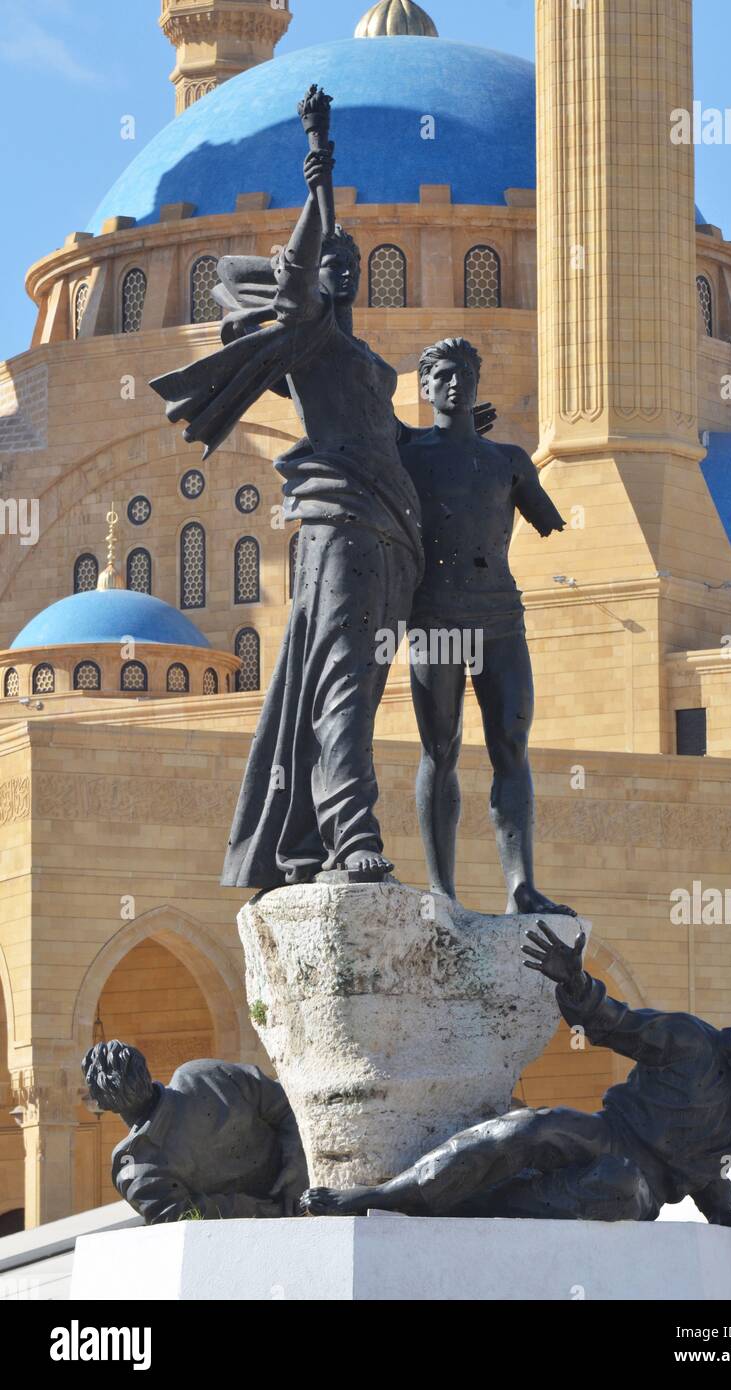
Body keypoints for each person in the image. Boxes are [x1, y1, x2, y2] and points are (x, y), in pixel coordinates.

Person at [150, 87, 423, 889]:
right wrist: (317, 174)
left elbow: (389, 438)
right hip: (337, 522)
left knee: (359, 688)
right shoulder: (307, 339)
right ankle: (354, 828)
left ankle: (316, 836)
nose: (343, 271)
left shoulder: (366, 361)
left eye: (356, 264)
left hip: (391, 534)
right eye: (332, 263)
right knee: (339, 675)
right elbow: (300, 272)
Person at [301, 923, 731, 1248]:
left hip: (643, 1185)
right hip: (608, 1132)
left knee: (615, 1186)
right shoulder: (692, 1041)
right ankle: (383, 1195)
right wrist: (574, 983)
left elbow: (708, 1171)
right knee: (532, 1128)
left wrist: (722, 1211)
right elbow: (614, 1022)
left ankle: (465, 1213)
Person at [398, 338, 571, 914]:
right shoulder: (406, 453)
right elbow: (366, 426)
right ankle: (442, 889)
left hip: (499, 616)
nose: (454, 384)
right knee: (440, 747)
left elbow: (548, 519)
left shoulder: (509, 461)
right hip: (436, 616)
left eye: (465, 375)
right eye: (443, 376)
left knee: (511, 745)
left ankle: (521, 886)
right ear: (424, 388)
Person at [82, 1040, 307, 1223]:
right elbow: (291, 1106)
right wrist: (295, 1177)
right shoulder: (203, 1074)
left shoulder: (133, 1167)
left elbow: (185, 1220)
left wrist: (275, 1207)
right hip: (309, 1189)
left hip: (283, 1216)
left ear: (103, 1103)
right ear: (143, 1069)